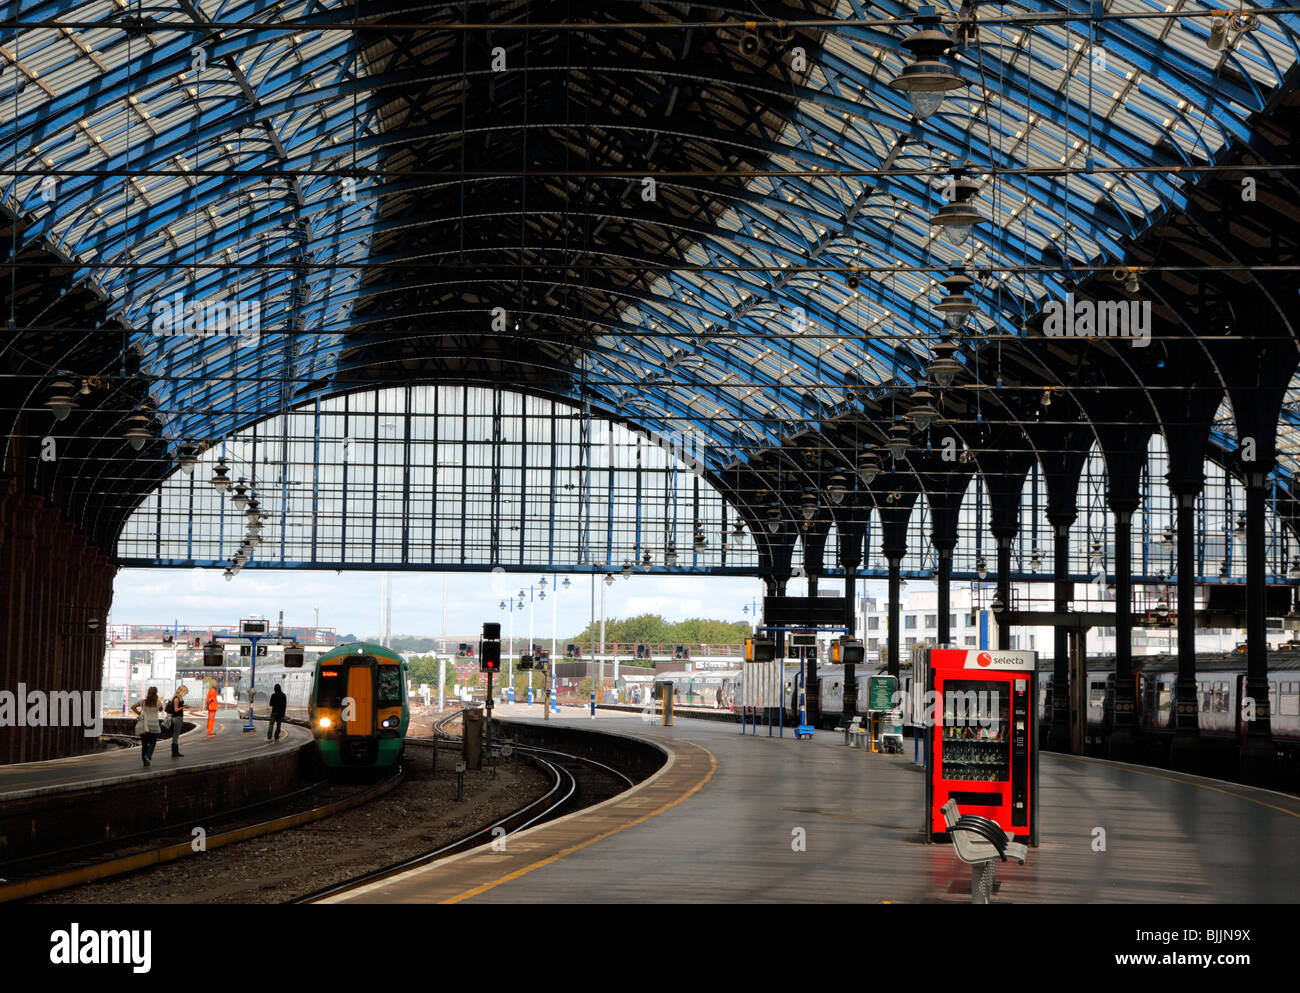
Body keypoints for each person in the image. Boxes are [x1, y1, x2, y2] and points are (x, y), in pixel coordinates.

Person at [131, 687, 162, 767]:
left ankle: (145, 763)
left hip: (144, 725)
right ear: (156, 693)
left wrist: (139, 714)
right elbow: (161, 710)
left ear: (148, 693)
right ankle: (148, 756)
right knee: (153, 742)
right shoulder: (158, 702)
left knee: (144, 744)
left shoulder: (143, 702)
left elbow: (133, 707)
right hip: (154, 726)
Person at [167, 684, 188, 756]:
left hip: (178, 717)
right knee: (176, 735)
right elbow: (176, 710)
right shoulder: (176, 698)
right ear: (182, 691)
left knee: (176, 735)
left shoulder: (178, 698)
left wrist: (183, 707)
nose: (185, 694)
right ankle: (175, 752)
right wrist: (183, 707)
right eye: (185, 692)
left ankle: (175, 752)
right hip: (177, 718)